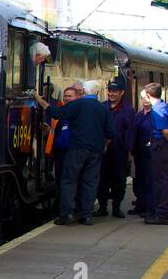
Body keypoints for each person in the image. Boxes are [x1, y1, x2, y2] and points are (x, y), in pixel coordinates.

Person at [35, 80, 114, 226]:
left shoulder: (78, 105)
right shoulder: (104, 109)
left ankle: (68, 214)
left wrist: (41, 101)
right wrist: (104, 145)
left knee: (69, 180)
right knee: (90, 182)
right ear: (97, 92)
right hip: (95, 151)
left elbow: (56, 113)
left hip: (77, 148)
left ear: (83, 92)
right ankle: (87, 216)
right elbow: (111, 133)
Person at [96, 77, 137, 218]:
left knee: (119, 180)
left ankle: (116, 207)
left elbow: (132, 131)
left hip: (120, 150)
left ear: (122, 93)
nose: (111, 94)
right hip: (103, 151)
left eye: (115, 91)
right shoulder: (101, 107)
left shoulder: (128, 110)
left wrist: (130, 150)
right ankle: (102, 206)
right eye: (110, 91)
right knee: (102, 179)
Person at [143, 82, 168, 225]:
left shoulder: (157, 110)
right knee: (165, 180)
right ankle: (164, 211)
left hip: (161, 147)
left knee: (161, 182)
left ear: (147, 95)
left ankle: (163, 214)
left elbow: (165, 131)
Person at [48, 82, 82, 208]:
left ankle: (72, 207)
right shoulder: (61, 111)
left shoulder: (79, 111)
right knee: (60, 179)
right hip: (59, 152)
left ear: (77, 97)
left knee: (71, 180)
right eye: (66, 96)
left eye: (70, 96)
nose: (67, 98)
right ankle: (62, 204)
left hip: (73, 152)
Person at [129, 89, 154, 216]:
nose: (144, 100)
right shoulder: (139, 115)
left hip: (150, 153)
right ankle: (140, 204)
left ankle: (150, 207)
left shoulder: (156, 115)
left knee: (149, 181)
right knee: (138, 180)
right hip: (138, 152)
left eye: (147, 98)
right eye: (142, 98)